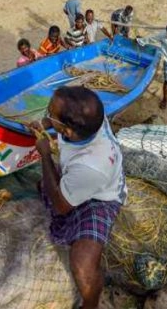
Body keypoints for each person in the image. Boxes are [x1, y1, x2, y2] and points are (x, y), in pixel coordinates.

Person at [30, 86, 126, 309]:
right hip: (79, 179)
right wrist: (46, 124)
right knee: (41, 185)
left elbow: (62, 205)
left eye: (51, 114)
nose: (48, 115)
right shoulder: (90, 118)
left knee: (82, 263)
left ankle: (90, 304)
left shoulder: (92, 165)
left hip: (101, 198)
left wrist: (44, 154)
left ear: (68, 131)